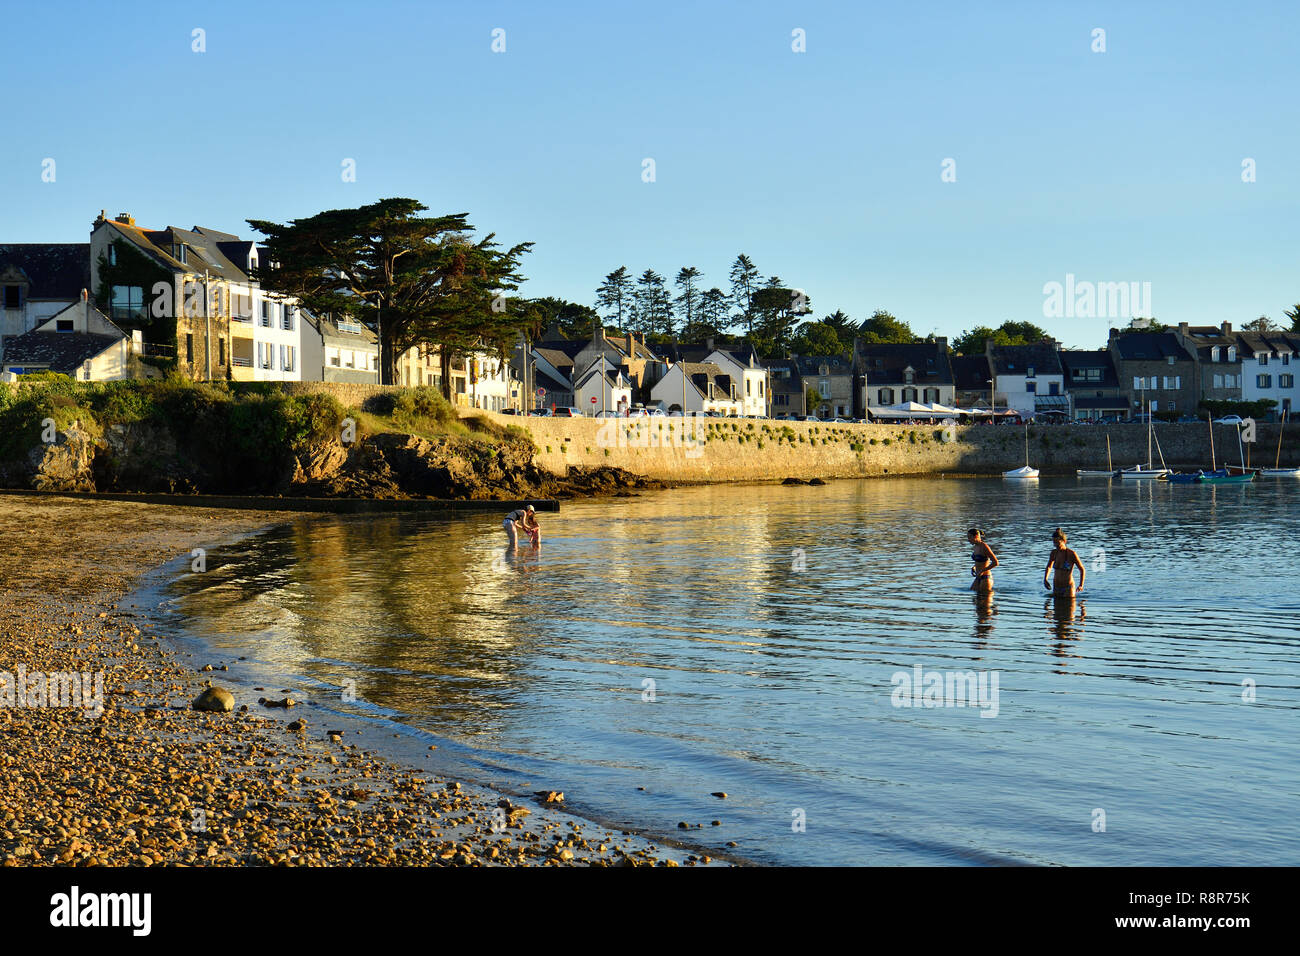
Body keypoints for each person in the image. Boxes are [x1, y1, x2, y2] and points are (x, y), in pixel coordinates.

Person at [1043, 528, 1085, 597]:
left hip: (1068, 588)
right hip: (1056, 588)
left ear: (1064, 541)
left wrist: (1081, 585)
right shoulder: (1054, 553)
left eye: (1058, 543)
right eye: (1054, 543)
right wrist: (1045, 579)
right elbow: (1049, 567)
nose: (1056, 545)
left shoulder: (1072, 554)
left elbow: (1082, 569)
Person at [968, 528, 998, 592]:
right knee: (973, 596)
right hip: (978, 577)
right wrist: (974, 567)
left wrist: (982, 571)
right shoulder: (975, 546)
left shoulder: (984, 547)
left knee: (983, 598)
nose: (968, 540)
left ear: (976, 536)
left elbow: (995, 562)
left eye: (970, 537)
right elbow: (981, 561)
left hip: (986, 578)